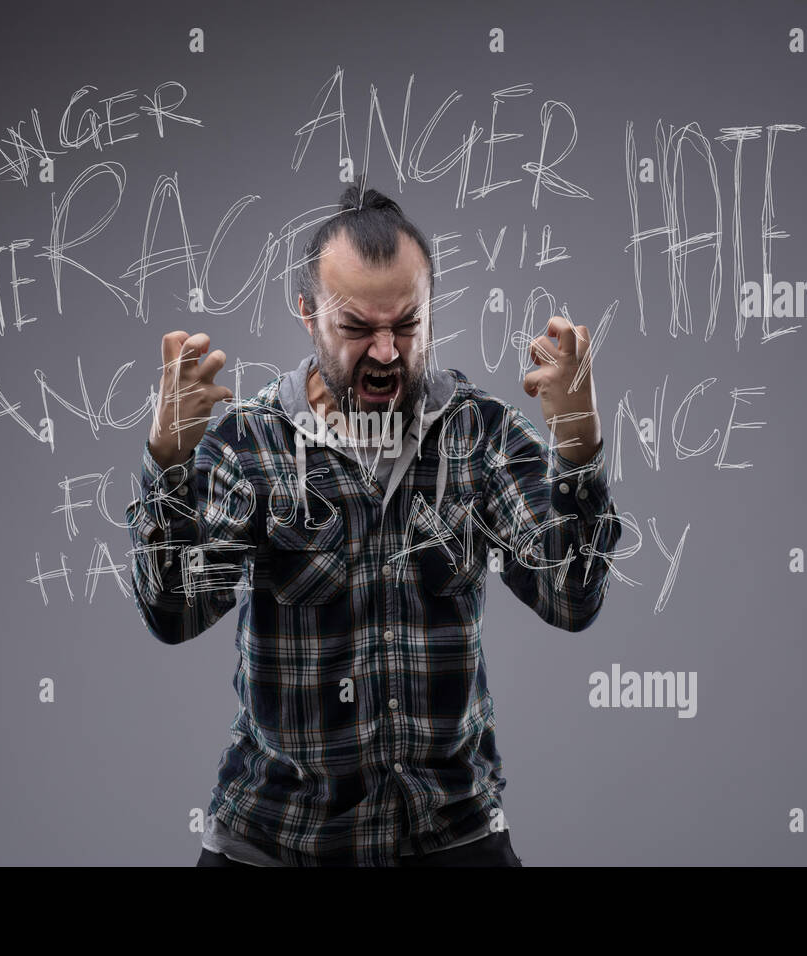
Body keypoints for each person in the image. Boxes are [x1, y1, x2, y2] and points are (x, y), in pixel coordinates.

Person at [126, 180, 621, 866]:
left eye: (407, 326)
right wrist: (167, 467)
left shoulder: (478, 434)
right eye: (357, 329)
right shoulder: (254, 444)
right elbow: (173, 615)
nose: (386, 354)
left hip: (451, 835)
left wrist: (579, 447)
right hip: (277, 840)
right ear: (307, 314)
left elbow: (570, 598)